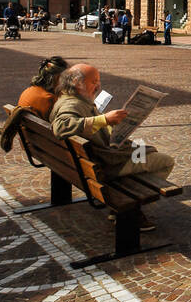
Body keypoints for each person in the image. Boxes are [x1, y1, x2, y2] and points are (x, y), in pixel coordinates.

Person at [50, 64, 174, 230]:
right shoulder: (72, 104)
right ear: (76, 82)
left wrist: (115, 126)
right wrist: (105, 120)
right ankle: (129, 206)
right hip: (107, 164)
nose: (98, 86)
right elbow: (61, 127)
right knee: (164, 161)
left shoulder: (70, 99)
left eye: (98, 81)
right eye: (94, 81)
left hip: (96, 160)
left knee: (143, 148)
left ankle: (124, 202)